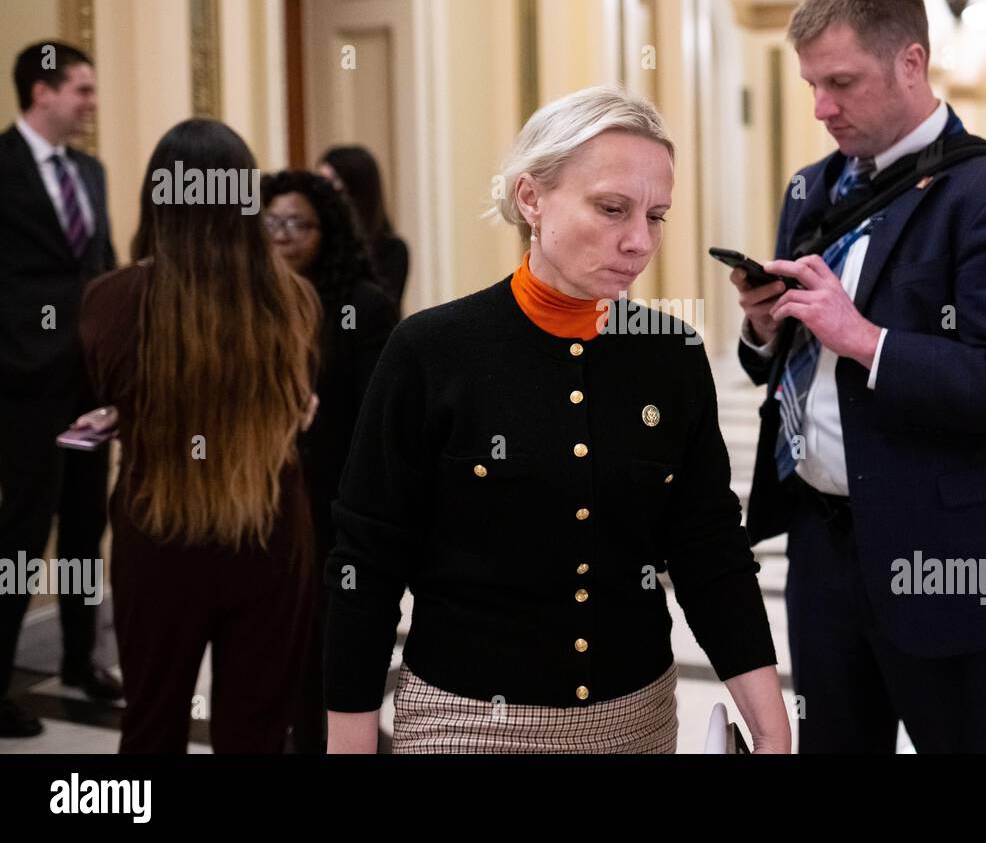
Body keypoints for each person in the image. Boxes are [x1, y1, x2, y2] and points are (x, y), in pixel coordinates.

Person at [325, 85, 790, 754]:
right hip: (465, 724)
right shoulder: (432, 352)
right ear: (530, 198)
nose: (638, 241)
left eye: (656, 216)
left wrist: (771, 724)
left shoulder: (670, 356)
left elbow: (707, 549)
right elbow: (365, 564)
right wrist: (349, 744)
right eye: (611, 209)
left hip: (636, 721)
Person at [733, 0, 986, 753]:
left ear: (912, 63)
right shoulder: (809, 189)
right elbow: (794, 367)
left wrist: (864, 339)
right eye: (812, 84)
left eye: (842, 83)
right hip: (820, 552)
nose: (821, 108)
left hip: (950, 561)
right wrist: (764, 329)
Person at [78, 119, 321, 753]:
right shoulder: (293, 300)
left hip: (158, 538)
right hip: (267, 536)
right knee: (257, 732)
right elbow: (296, 410)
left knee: (152, 725)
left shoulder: (108, 300)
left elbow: (109, 388)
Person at [0, 41, 120, 738]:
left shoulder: (90, 171)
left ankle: (80, 660)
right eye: (81, 89)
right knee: (20, 535)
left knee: (84, 525)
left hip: (86, 386)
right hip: (21, 390)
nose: (91, 103)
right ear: (41, 92)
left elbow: (98, 266)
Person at [261, 169, 398, 752]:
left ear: (328, 230)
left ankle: (330, 737)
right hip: (260, 493)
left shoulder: (362, 304)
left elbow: (376, 413)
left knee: (329, 629)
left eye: (299, 224)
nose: (284, 236)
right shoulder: (251, 300)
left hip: (335, 493)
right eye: (273, 223)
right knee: (272, 631)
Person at [317, 145, 409, 313]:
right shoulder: (316, 240)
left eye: (332, 183)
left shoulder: (392, 249)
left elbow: (380, 307)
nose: (323, 193)